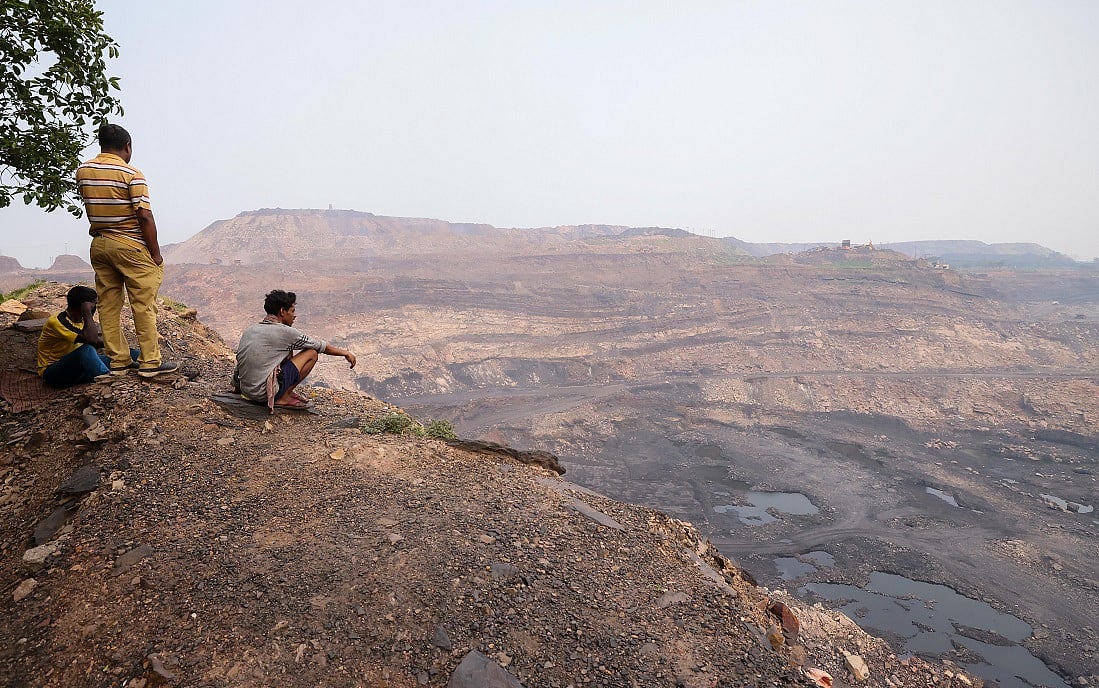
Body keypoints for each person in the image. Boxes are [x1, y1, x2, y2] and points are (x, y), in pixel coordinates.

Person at [76, 123, 178, 378]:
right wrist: (155, 253)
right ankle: (150, 363)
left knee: (109, 304)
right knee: (143, 305)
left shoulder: (84, 171)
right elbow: (144, 215)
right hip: (130, 245)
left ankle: (118, 361)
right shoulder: (132, 174)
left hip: (100, 244)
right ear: (127, 146)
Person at [233, 290, 356, 411]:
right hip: (262, 395)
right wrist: (345, 353)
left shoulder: (250, 330)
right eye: (292, 311)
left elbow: (242, 359)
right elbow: (319, 346)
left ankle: (283, 392)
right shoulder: (285, 332)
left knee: (285, 352)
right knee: (311, 353)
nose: (294, 315)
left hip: (247, 391)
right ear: (282, 311)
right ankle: (284, 397)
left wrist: (237, 387)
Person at [37, 286, 137, 388]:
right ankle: (108, 381)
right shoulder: (57, 321)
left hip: (79, 370)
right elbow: (91, 340)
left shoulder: (82, 320)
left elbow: (97, 342)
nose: (96, 306)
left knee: (127, 353)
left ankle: (146, 365)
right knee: (87, 349)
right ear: (85, 306)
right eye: (94, 304)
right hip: (53, 372)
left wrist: (121, 349)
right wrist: (87, 312)